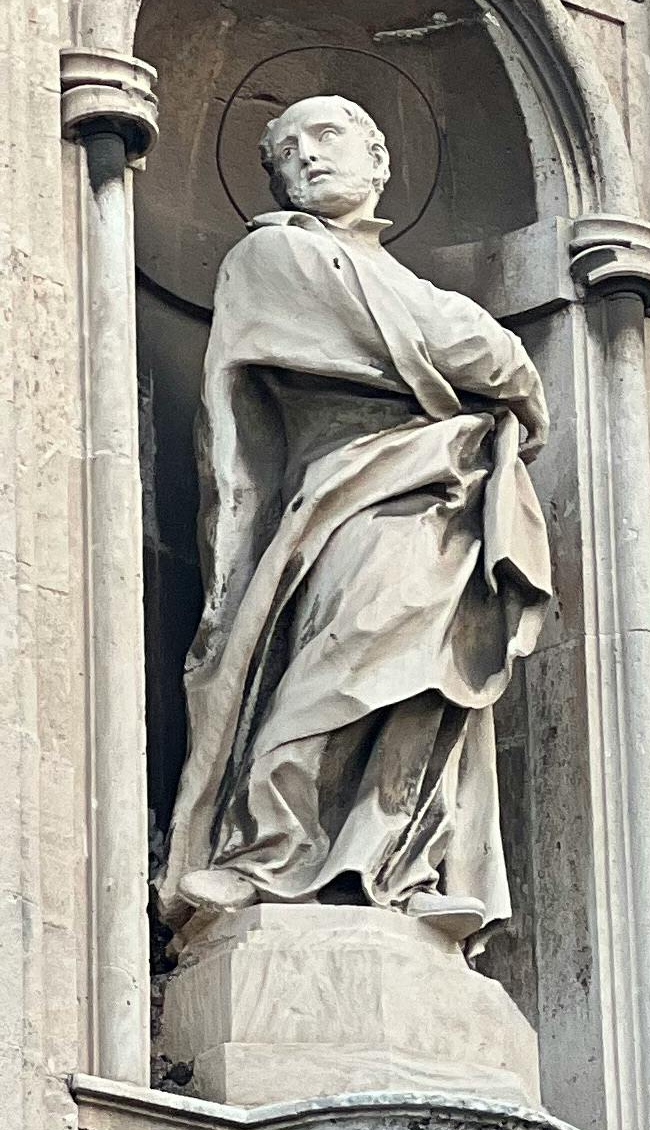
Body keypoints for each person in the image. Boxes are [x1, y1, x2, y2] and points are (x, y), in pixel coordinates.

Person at [161, 92, 553, 947]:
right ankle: (270, 853)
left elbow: (518, 369)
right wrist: (475, 355)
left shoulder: (398, 281)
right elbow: (456, 349)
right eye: (285, 150)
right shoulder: (273, 256)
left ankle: (393, 867)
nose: (305, 156)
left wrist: (485, 356)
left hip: (447, 506)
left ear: (378, 158)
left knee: (436, 678)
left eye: (326, 136)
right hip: (345, 501)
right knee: (336, 667)